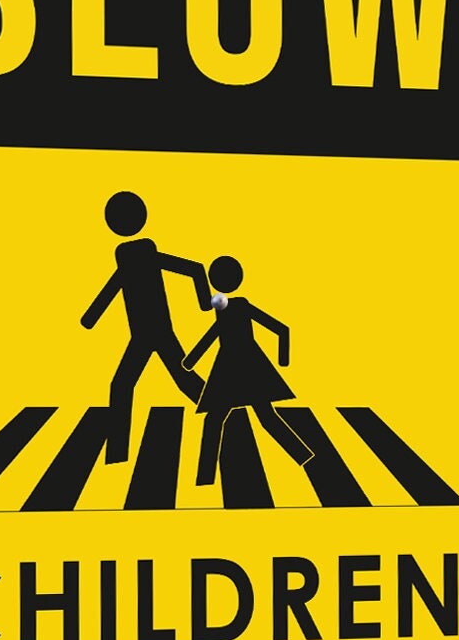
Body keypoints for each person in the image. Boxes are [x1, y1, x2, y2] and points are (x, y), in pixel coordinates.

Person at [80, 191, 211, 465]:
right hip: (143, 336)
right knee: (129, 385)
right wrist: (91, 316)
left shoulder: (143, 257)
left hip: (158, 333)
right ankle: (117, 454)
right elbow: (195, 269)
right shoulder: (134, 259)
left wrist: (204, 303)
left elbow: (195, 269)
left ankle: (225, 414)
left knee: (172, 382)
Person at [182, 254, 317, 486]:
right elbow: (280, 330)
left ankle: (205, 477)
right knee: (265, 418)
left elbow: (214, 335)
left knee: (218, 420)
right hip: (248, 367)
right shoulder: (230, 307)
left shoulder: (230, 307)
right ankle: (305, 457)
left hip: (233, 370)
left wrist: (191, 361)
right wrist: (282, 359)